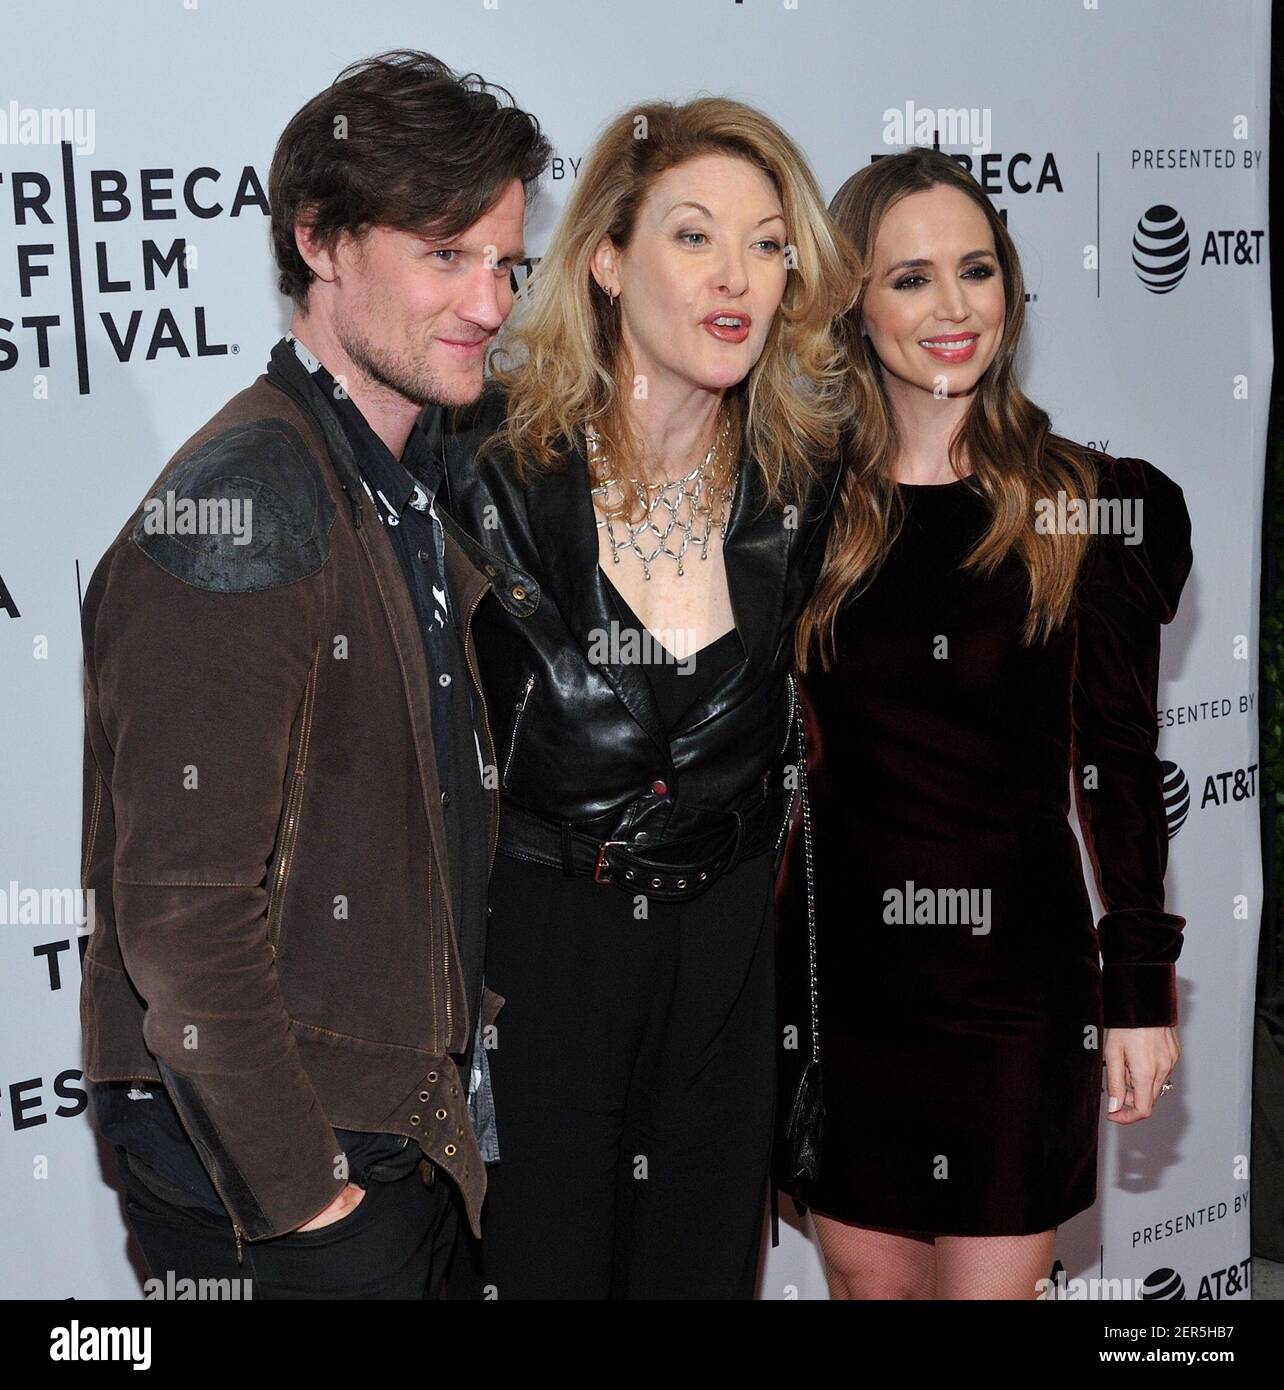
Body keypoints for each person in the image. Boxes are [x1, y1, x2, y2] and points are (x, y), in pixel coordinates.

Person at [79, 49, 550, 1298]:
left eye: (506, 263)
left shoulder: (387, 489)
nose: (491, 303)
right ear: (323, 241)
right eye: (445, 253)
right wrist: (308, 1200)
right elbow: (180, 915)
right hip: (288, 1177)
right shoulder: (247, 499)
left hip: (392, 1131)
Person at [439, 97, 858, 1299]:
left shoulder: (799, 477)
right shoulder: (483, 465)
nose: (737, 274)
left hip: (725, 964)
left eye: (768, 243)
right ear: (610, 260)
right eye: (694, 235)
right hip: (538, 953)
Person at [774, 147, 1193, 1300]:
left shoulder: (1091, 506)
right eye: (910, 278)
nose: (954, 308)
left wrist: (1139, 988)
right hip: (847, 990)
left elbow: (1118, 762)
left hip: (1019, 998)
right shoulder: (800, 515)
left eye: (977, 270)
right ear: (852, 304)